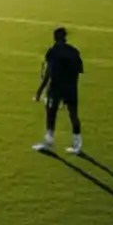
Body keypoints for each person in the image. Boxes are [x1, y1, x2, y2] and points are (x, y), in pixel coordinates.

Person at [33, 27, 84, 155]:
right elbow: (79, 71)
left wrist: (39, 91)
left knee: (51, 113)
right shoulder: (74, 51)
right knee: (73, 114)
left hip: (56, 87)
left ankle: (49, 141)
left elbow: (48, 73)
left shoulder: (52, 52)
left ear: (55, 37)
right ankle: (77, 143)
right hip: (71, 87)